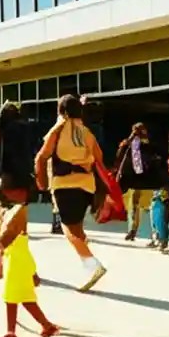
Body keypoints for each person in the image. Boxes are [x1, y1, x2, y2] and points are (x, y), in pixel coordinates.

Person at [35, 94, 107, 292]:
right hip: (86, 186)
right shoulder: (86, 132)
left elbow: (42, 156)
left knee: (67, 230)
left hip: (64, 185)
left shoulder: (58, 130)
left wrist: (40, 181)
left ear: (62, 111)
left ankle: (93, 266)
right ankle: (87, 266)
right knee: (77, 228)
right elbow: (99, 158)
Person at [0, 185, 58, 337]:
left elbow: (8, 242)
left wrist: (33, 272)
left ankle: (40, 326)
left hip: (18, 263)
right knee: (17, 298)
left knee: (17, 298)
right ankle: (34, 327)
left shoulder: (17, 214)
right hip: (14, 262)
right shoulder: (10, 214)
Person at [0, 103, 35, 278]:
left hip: (5, 185)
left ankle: (1, 267)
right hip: (23, 186)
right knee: (20, 230)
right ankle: (29, 270)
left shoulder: (4, 133)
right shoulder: (27, 132)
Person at [114, 123, 165, 243]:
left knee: (134, 205)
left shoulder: (129, 144)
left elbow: (118, 157)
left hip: (134, 180)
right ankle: (155, 233)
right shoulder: (151, 145)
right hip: (150, 180)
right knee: (153, 207)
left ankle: (132, 229)